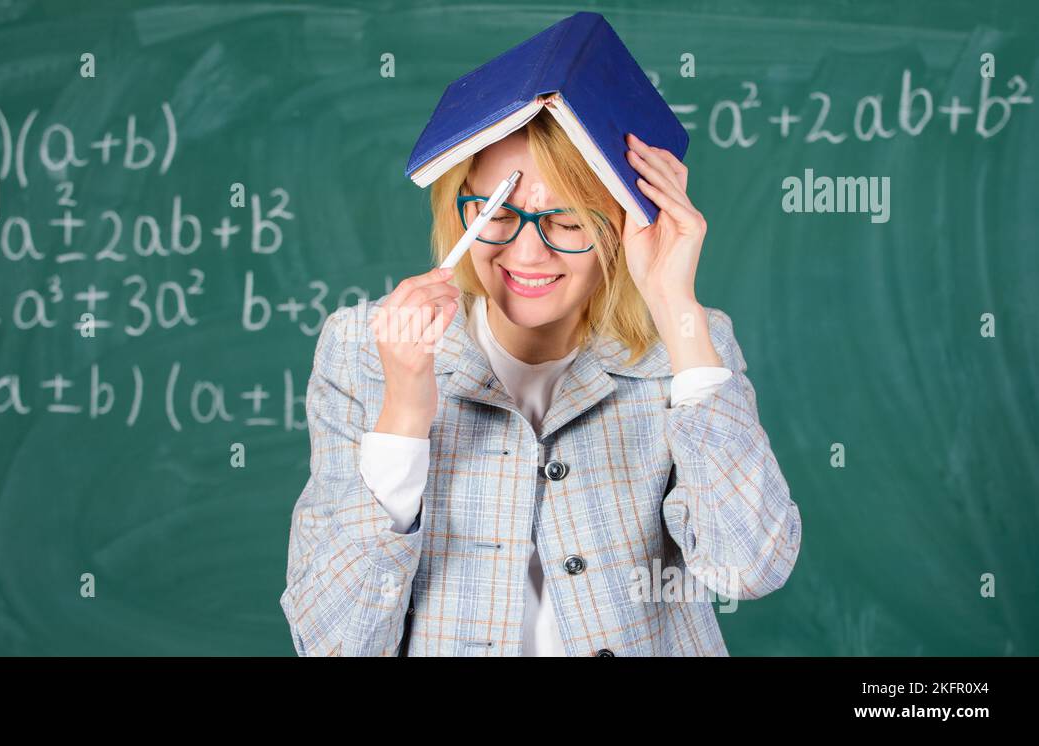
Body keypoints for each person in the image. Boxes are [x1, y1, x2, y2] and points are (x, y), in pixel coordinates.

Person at [280, 108, 802, 656]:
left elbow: (749, 568)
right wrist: (404, 417)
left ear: (623, 224)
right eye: (494, 214)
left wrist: (675, 307)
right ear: (459, 212)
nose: (528, 253)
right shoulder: (362, 350)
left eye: (570, 221)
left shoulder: (687, 342)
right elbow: (333, 644)